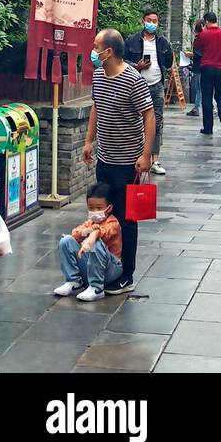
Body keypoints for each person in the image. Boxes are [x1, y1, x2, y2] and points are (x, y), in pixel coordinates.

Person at [82, 28, 155, 295]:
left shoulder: (133, 80)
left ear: (108, 51)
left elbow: (149, 115)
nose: (94, 51)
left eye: (96, 46)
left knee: (127, 219)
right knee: (102, 215)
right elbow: (96, 107)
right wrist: (89, 141)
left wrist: (146, 155)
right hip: (105, 158)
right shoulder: (99, 75)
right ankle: (104, 266)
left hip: (128, 163)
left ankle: (127, 273)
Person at [54, 181, 123, 302]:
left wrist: (92, 237)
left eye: (99, 208)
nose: (94, 211)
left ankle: (97, 288)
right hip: (91, 267)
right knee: (66, 241)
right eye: (91, 208)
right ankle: (73, 281)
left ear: (109, 208)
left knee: (96, 243)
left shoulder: (113, 223)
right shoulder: (90, 222)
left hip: (111, 270)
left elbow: (103, 232)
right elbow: (76, 233)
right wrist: (86, 233)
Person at [124, 8, 173, 175]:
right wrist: (137, 66)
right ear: (142, 21)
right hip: (137, 85)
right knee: (136, 121)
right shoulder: (131, 41)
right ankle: (136, 156)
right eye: (149, 20)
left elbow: (168, 61)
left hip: (157, 85)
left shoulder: (162, 42)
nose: (152, 24)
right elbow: (122, 61)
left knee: (156, 123)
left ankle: (155, 160)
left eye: (155, 21)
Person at [194, 12, 221, 137]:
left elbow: (196, 48)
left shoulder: (203, 34)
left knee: (207, 97)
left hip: (206, 68)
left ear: (206, 22)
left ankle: (208, 127)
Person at [186, 18, 205, 118]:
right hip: (204, 65)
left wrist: (191, 54)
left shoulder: (199, 38)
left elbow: (199, 53)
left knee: (200, 88)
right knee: (202, 87)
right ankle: (197, 107)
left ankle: (197, 108)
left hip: (199, 66)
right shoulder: (204, 37)